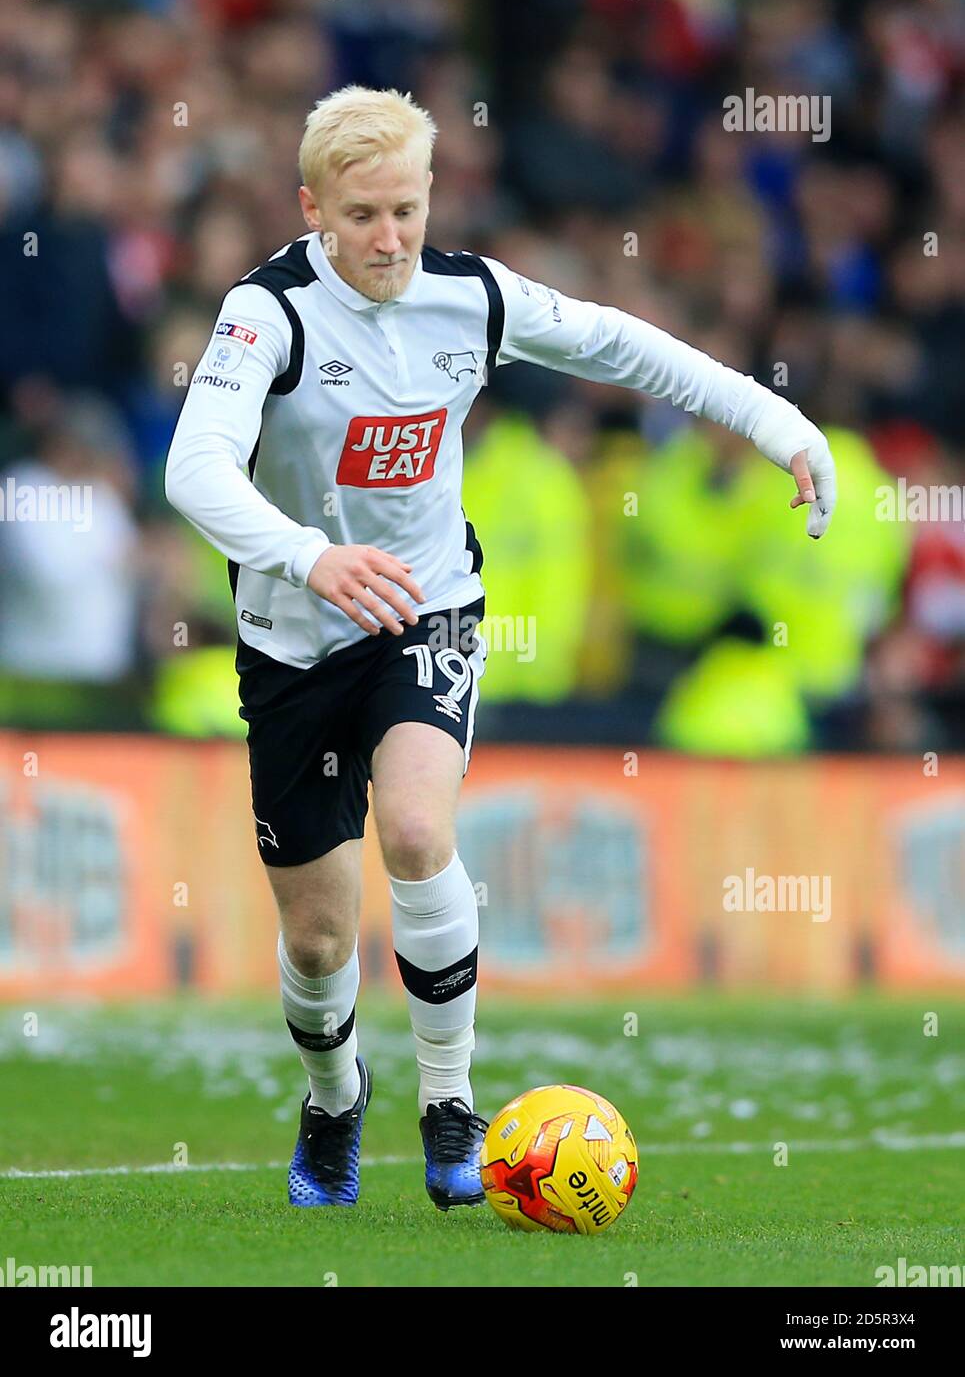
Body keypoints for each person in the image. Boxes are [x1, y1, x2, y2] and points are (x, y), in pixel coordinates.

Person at [164, 85, 836, 1212]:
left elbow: (618, 344)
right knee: (321, 944)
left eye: (407, 212)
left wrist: (777, 425)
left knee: (420, 831)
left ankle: (448, 1102)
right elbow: (193, 470)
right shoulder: (263, 315)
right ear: (311, 208)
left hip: (426, 609)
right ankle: (334, 1100)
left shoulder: (465, 298)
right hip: (293, 639)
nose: (388, 240)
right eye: (363, 215)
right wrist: (306, 557)